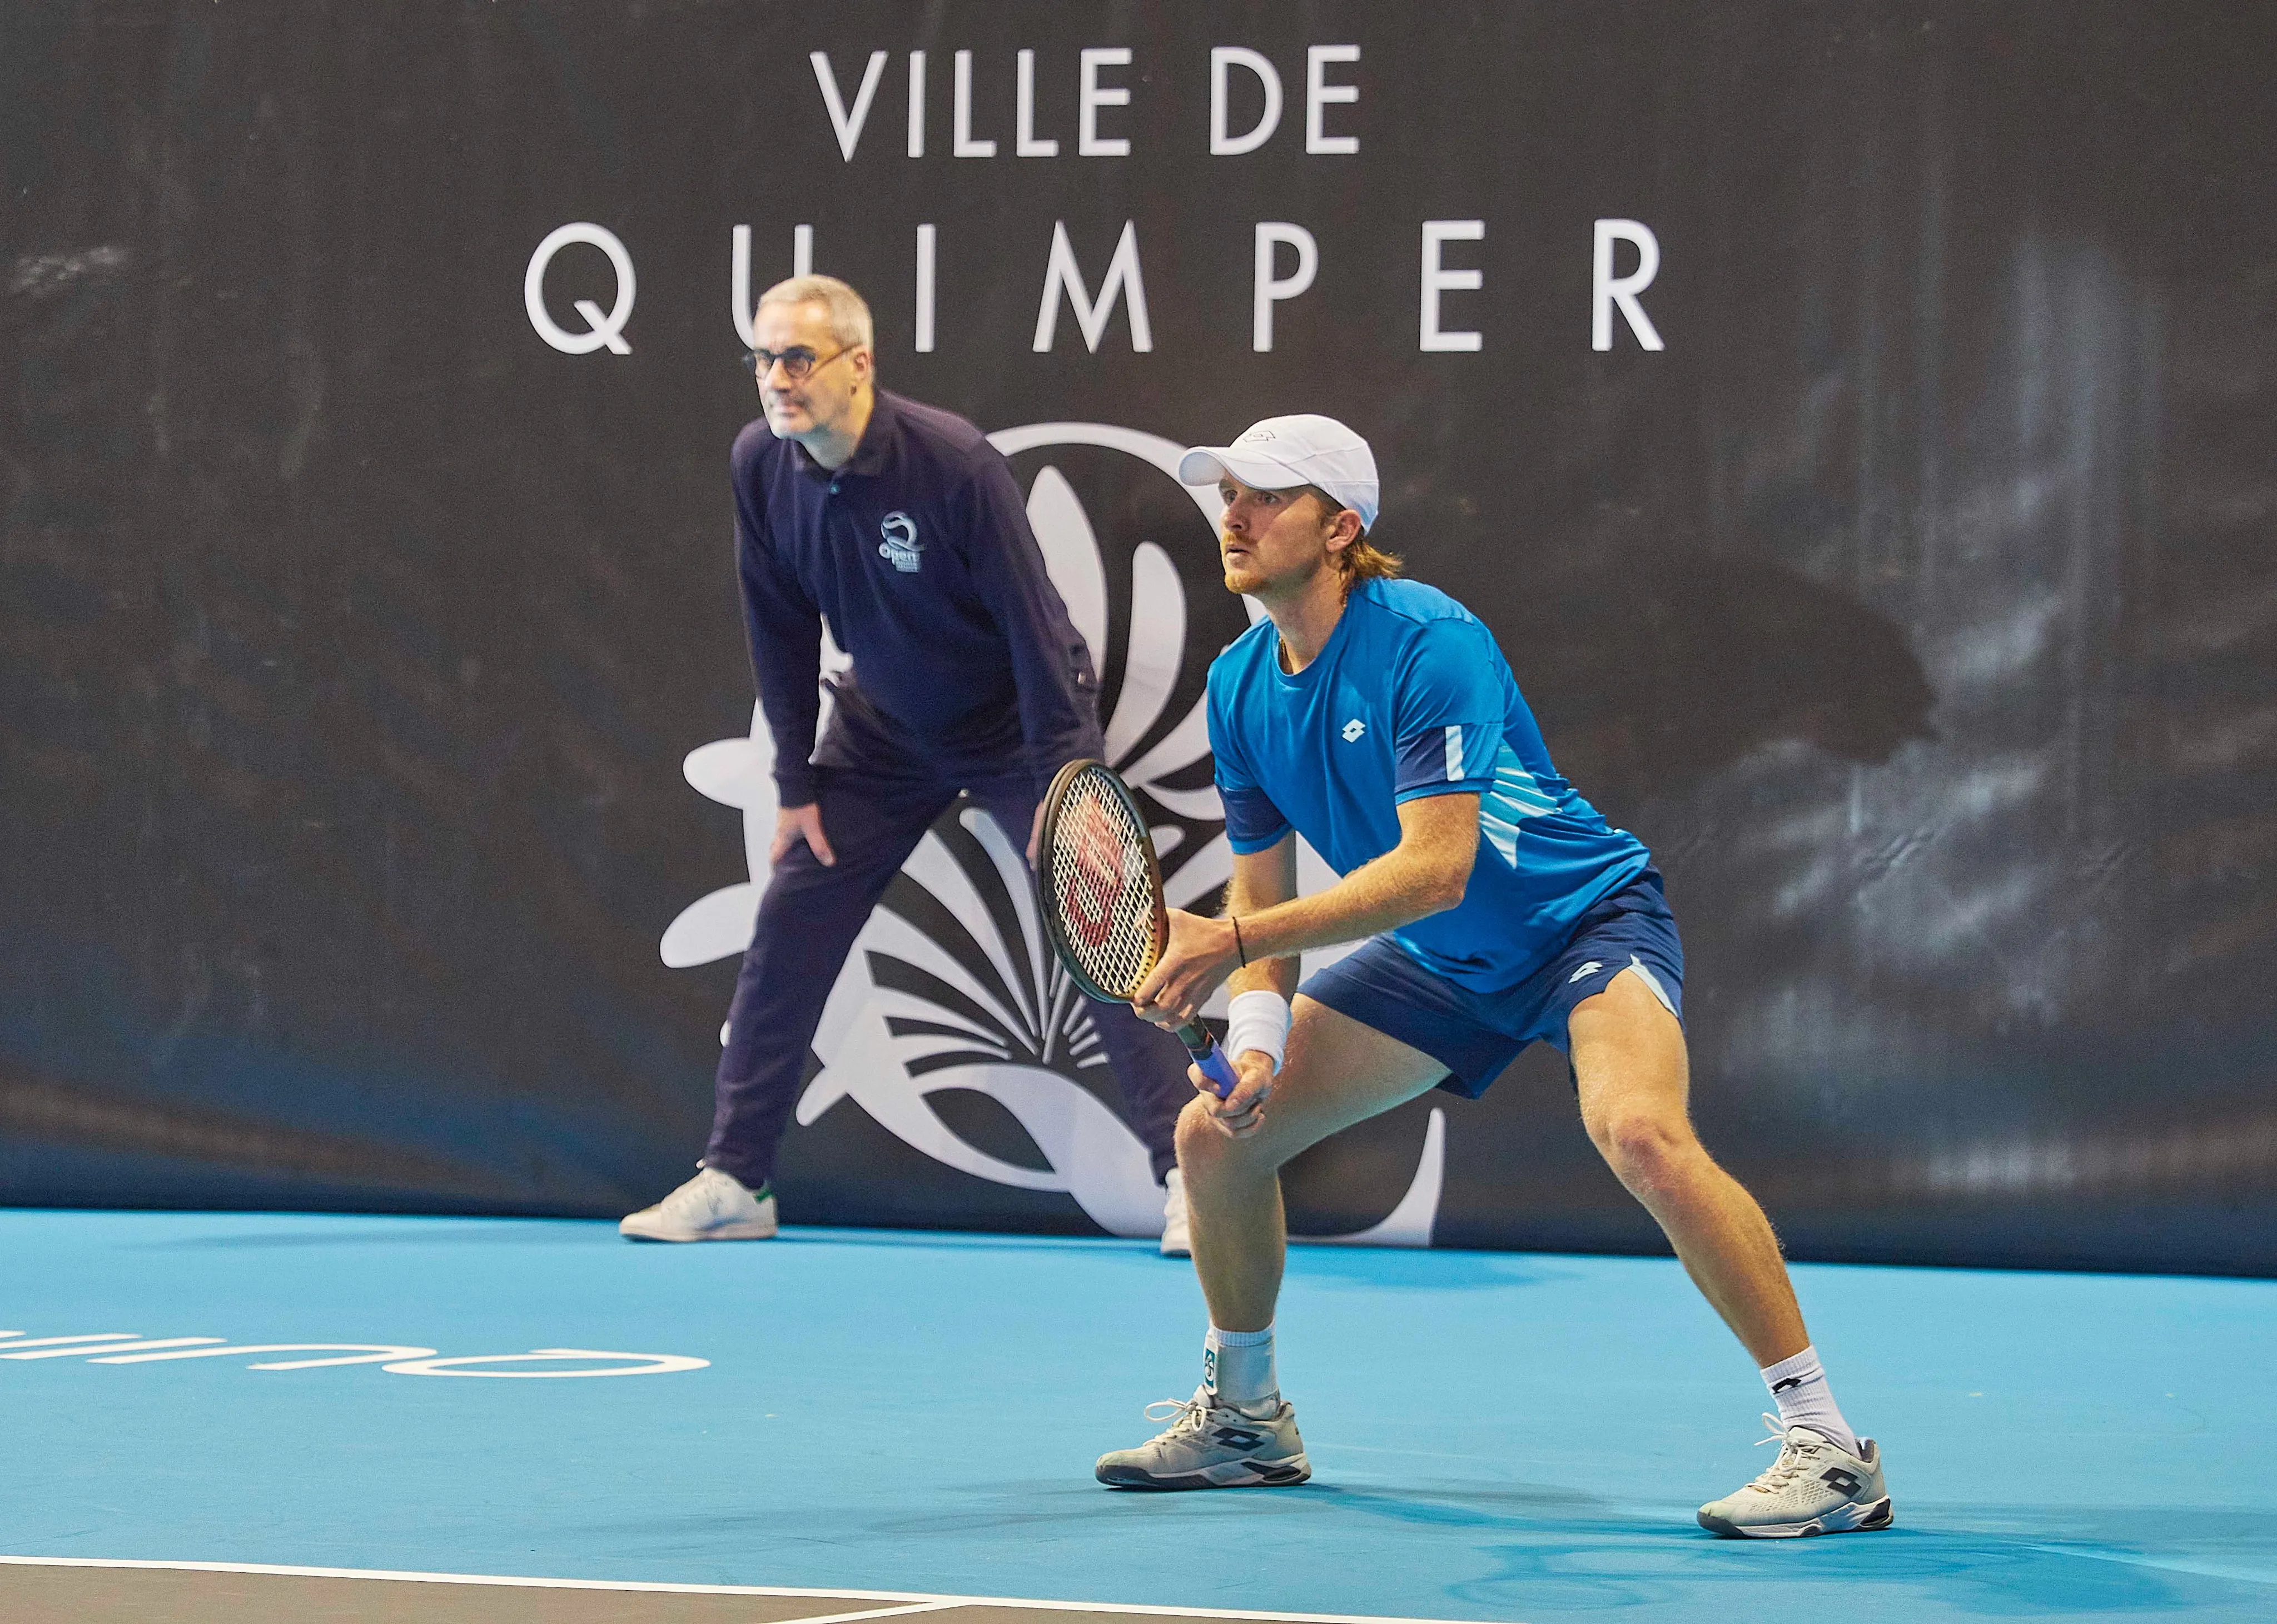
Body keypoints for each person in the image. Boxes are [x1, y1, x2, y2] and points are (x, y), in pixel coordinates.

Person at [1093, 415, 1894, 1537]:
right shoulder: (1236, 685)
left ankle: (1827, 1448)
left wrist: (1223, 947)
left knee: (1641, 1138)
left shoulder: (1429, 642)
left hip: (1580, 926)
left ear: (1340, 527)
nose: (1233, 514)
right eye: (1227, 492)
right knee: (1215, 1137)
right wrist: (1259, 1044)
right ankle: (1245, 1419)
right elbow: (1259, 896)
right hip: (1443, 965)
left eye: (1267, 496)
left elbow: (1434, 870)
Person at [621, 276, 1198, 1253]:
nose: (776, 379)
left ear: (859, 364)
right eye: (762, 358)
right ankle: (736, 1178)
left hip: (1022, 724)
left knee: (1109, 928)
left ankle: (1191, 1176)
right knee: (791, 919)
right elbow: (780, 626)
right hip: (885, 731)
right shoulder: (760, 464)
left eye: (797, 357)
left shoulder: (954, 464)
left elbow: (1036, 628)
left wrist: (1070, 790)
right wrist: (795, 785)